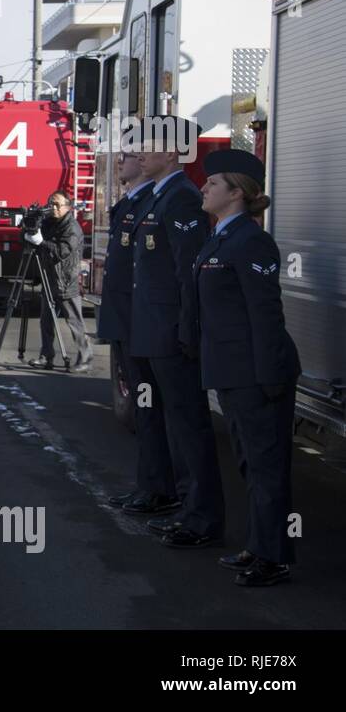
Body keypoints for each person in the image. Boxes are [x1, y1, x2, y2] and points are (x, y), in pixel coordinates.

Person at [195, 149, 300, 586]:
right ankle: (258, 547)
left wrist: (270, 376)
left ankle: (274, 557)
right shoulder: (221, 235)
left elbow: (265, 315)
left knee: (267, 468)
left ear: (237, 192)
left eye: (213, 183)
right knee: (250, 467)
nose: (203, 187)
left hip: (257, 374)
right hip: (232, 373)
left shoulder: (252, 241)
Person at [128, 116, 224, 549]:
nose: (139, 152)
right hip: (152, 329)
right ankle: (186, 508)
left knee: (188, 427)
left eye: (148, 146)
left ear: (171, 153)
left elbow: (189, 272)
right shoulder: (158, 197)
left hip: (170, 332)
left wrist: (187, 329)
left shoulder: (182, 199)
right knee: (170, 423)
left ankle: (201, 516)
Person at [101, 149, 178, 517]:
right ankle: (149, 485)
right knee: (143, 409)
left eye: (129, 156)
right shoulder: (134, 201)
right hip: (126, 321)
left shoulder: (154, 200)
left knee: (150, 409)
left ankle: (159, 488)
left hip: (140, 322)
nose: (121, 161)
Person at [24, 191, 92, 371]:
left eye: (57, 205)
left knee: (74, 321)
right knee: (46, 320)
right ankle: (46, 356)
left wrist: (41, 242)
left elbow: (62, 251)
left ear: (67, 207)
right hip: (48, 278)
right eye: (51, 204)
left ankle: (85, 358)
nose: (53, 208)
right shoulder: (48, 222)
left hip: (66, 280)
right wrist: (29, 231)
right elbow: (32, 239)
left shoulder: (72, 228)